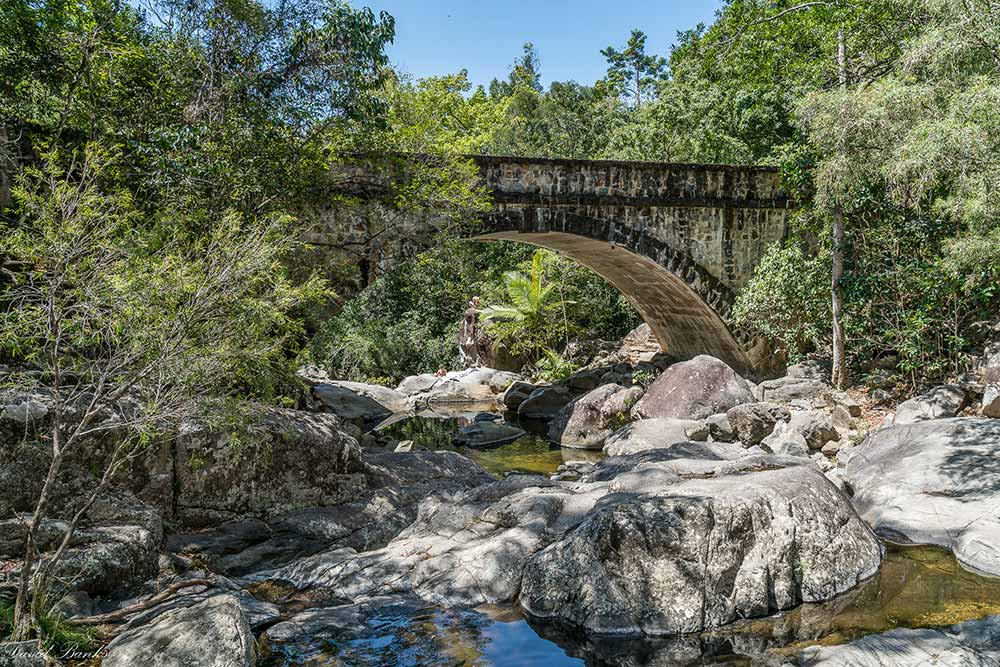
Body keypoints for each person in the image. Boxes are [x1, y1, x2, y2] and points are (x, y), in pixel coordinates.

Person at [458, 296, 483, 367]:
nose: (478, 303)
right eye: (477, 301)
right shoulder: (471, 308)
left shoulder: (473, 308)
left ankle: (474, 361)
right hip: (469, 327)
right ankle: (470, 361)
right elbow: (473, 312)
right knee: (469, 338)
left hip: (471, 325)